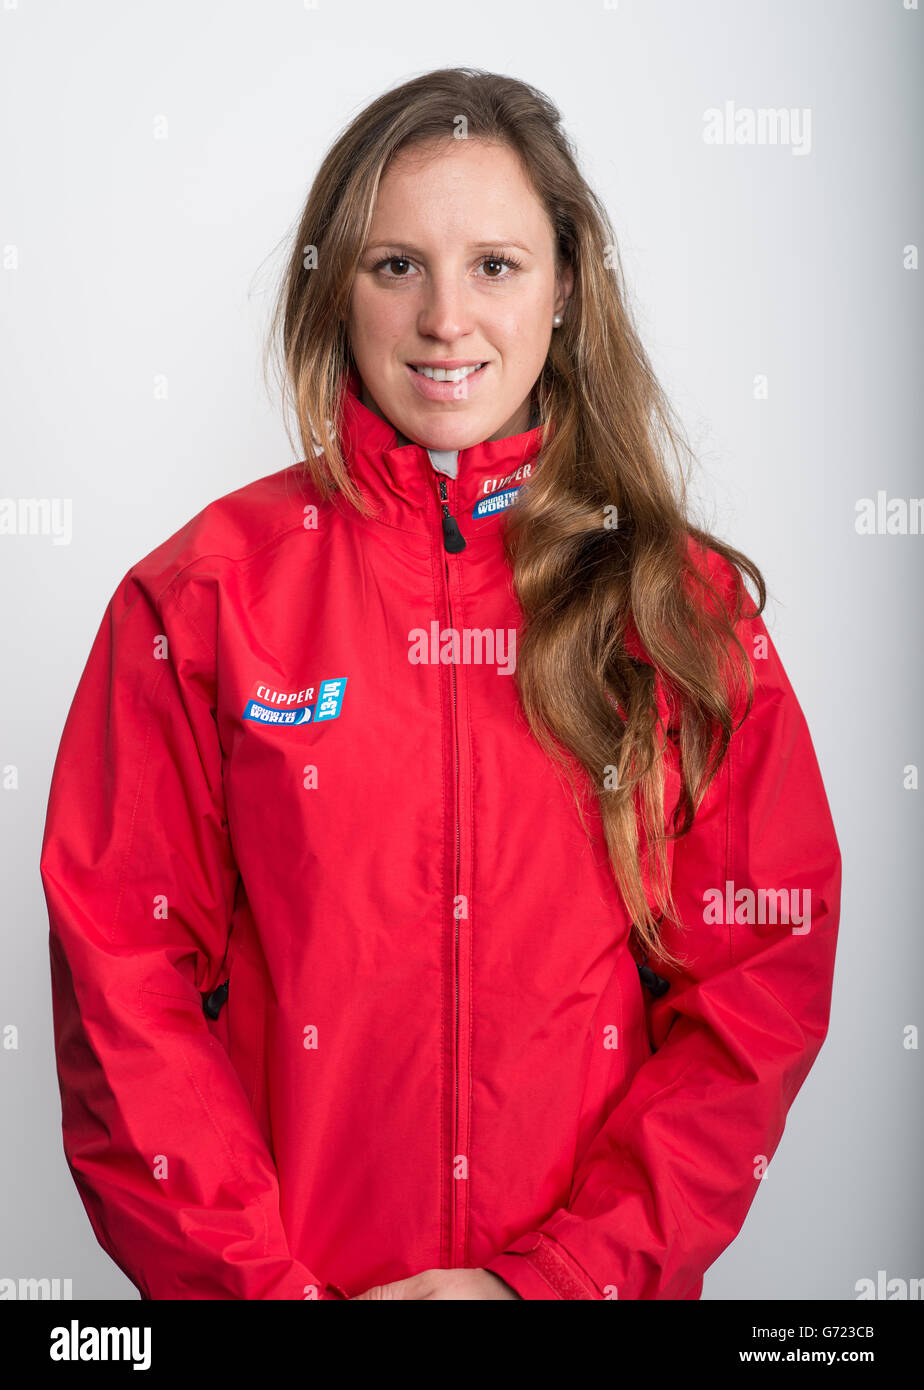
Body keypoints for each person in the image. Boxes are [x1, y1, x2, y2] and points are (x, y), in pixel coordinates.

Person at [39, 67, 841, 1301]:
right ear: (336, 289)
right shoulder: (200, 602)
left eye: (497, 266)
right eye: (395, 264)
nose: (444, 319)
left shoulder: (680, 613)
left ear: (567, 288)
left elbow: (756, 987)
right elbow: (122, 997)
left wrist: (556, 1283)